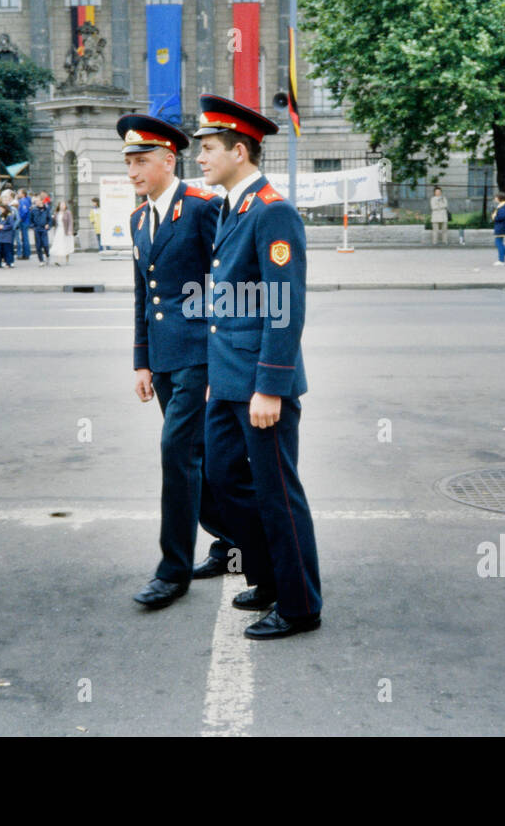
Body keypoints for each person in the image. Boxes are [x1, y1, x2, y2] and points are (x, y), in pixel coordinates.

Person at [194, 93, 321, 640]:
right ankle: (267, 576)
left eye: (208, 148)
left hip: (261, 384)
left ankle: (299, 605)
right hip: (227, 380)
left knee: (276, 492)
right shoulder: (231, 206)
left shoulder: (272, 210)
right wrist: (214, 380)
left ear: (240, 151)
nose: (198, 156)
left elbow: (284, 306)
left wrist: (270, 386)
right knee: (221, 479)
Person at [122, 112, 238, 610]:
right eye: (128, 162)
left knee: (176, 453)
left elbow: (230, 281)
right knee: (200, 458)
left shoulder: (201, 207)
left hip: (199, 357)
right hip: (165, 359)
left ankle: (172, 572)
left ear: (169, 161)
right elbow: (143, 294)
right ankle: (234, 541)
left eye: (142, 161)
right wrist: (141, 361)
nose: (132, 171)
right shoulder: (138, 217)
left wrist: (223, 360)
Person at [50, 200, 75, 266]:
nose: (62, 206)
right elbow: (54, 222)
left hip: (66, 230)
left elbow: (70, 222)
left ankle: (67, 259)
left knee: (66, 245)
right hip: (59, 230)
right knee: (59, 245)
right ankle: (59, 260)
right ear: (59, 206)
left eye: (64, 205)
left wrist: (70, 230)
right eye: (61, 205)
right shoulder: (56, 213)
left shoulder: (68, 212)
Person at [30, 194, 52, 265]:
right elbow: (30, 220)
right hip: (37, 229)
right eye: (36, 201)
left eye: (39, 200)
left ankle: (47, 255)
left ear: (42, 201)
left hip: (44, 229)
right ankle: (41, 260)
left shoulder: (46, 209)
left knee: (45, 244)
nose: (37, 202)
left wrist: (48, 224)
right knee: (38, 245)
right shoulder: (33, 210)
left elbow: (50, 219)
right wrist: (33, 226)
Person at [491, 193, 505, 265]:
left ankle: (501, 260)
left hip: (501, 227)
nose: (495, 199)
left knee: (498, 243)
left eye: (496, 197)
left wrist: (494, 217)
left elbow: (501, 217)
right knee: (499, 243)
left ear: (499, 198)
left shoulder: (502, 207)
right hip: (501, 226)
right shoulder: (502, 206)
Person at [16, 188, 32, 260]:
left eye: (19, 193)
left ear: (23, 194)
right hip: (25, 221)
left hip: (24, 221)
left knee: (25, 238)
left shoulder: (23, 201)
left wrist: (21, 219)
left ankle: (26, 254)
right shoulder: (26, 200)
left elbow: (24, 211)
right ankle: (26, 253)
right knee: (25, 237)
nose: (18, 194)